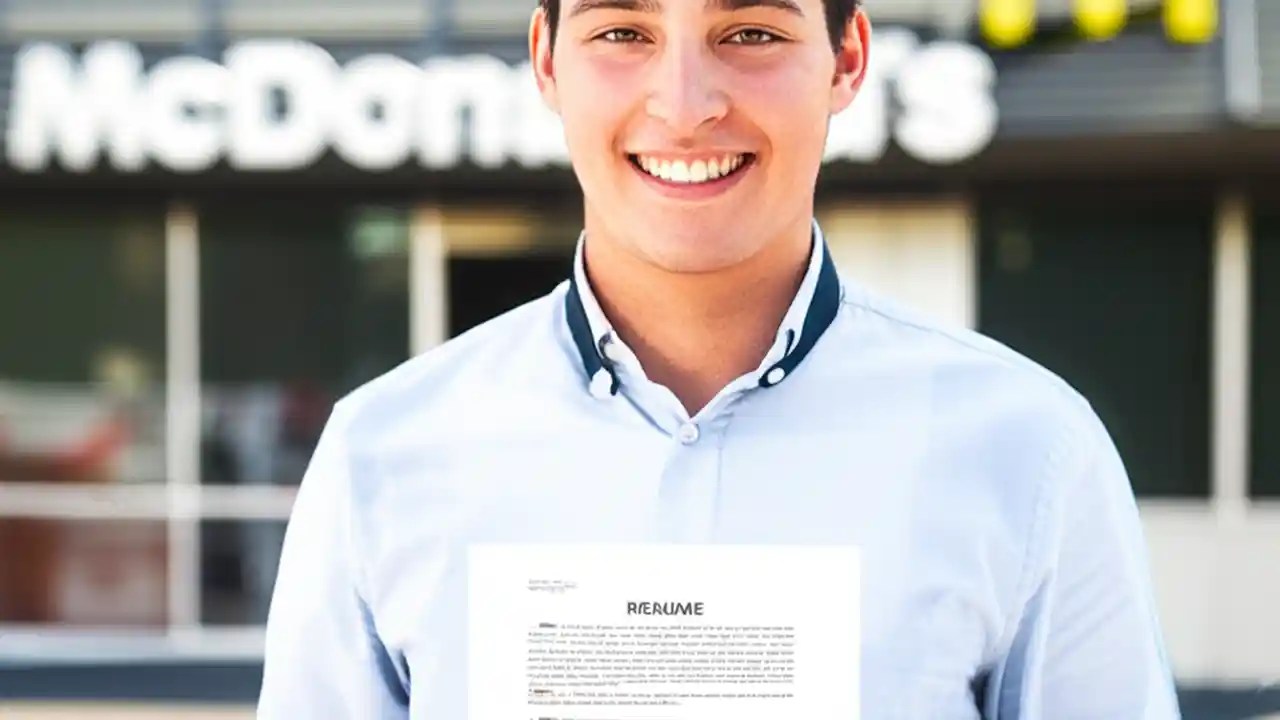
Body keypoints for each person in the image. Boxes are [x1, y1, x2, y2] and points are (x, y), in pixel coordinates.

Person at [257, 0, 1183, 716]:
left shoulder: (1029, 451)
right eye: (624, 31)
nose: (685, 105)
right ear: (546, 62)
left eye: (749, 31)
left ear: (847, 59)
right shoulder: (382, 454)